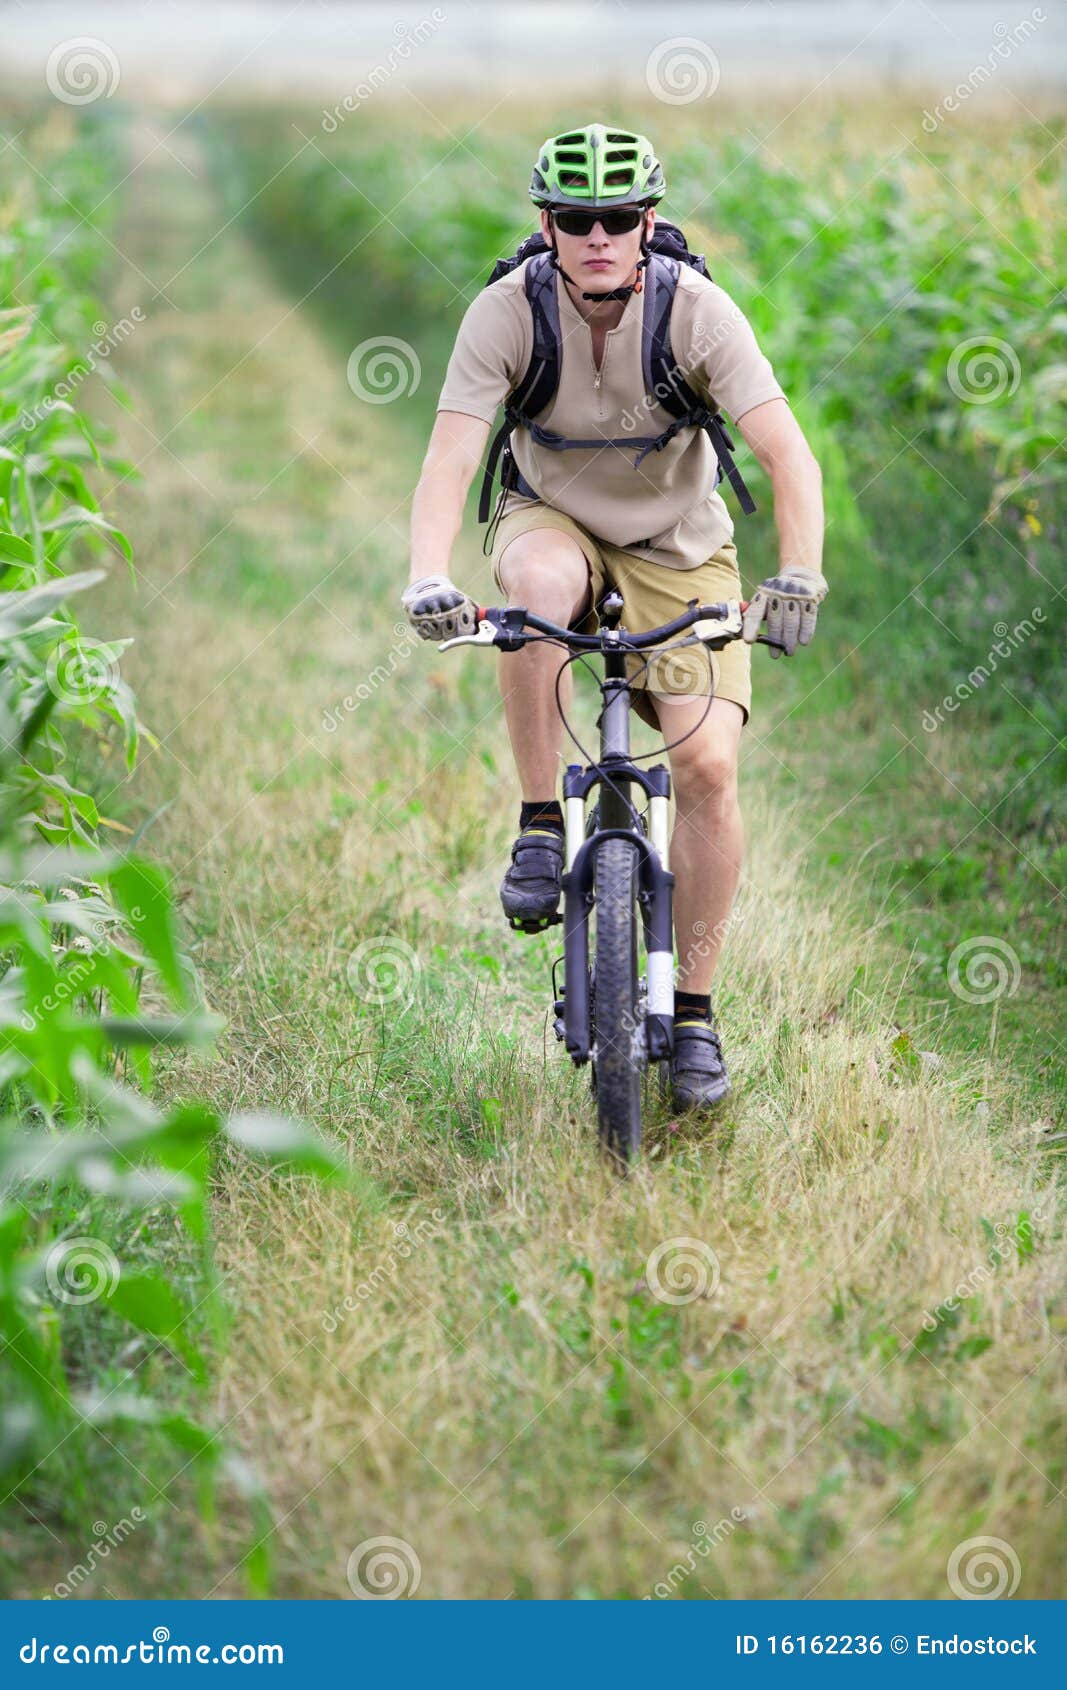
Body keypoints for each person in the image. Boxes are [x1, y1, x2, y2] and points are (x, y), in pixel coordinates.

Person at [402, 123, 826, 1113]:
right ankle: (538, 823)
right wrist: (425, 577)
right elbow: (450, 458)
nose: (597, 236)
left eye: (618, 217)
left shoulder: (698, 313)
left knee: (707, 768)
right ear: (545, 224)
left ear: (647, 221)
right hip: (551, 519)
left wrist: (798, 575)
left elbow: (787, 455)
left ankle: (694, 1016)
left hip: (679, 544)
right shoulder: (505, 312)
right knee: (534, 591)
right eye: (575, 217)